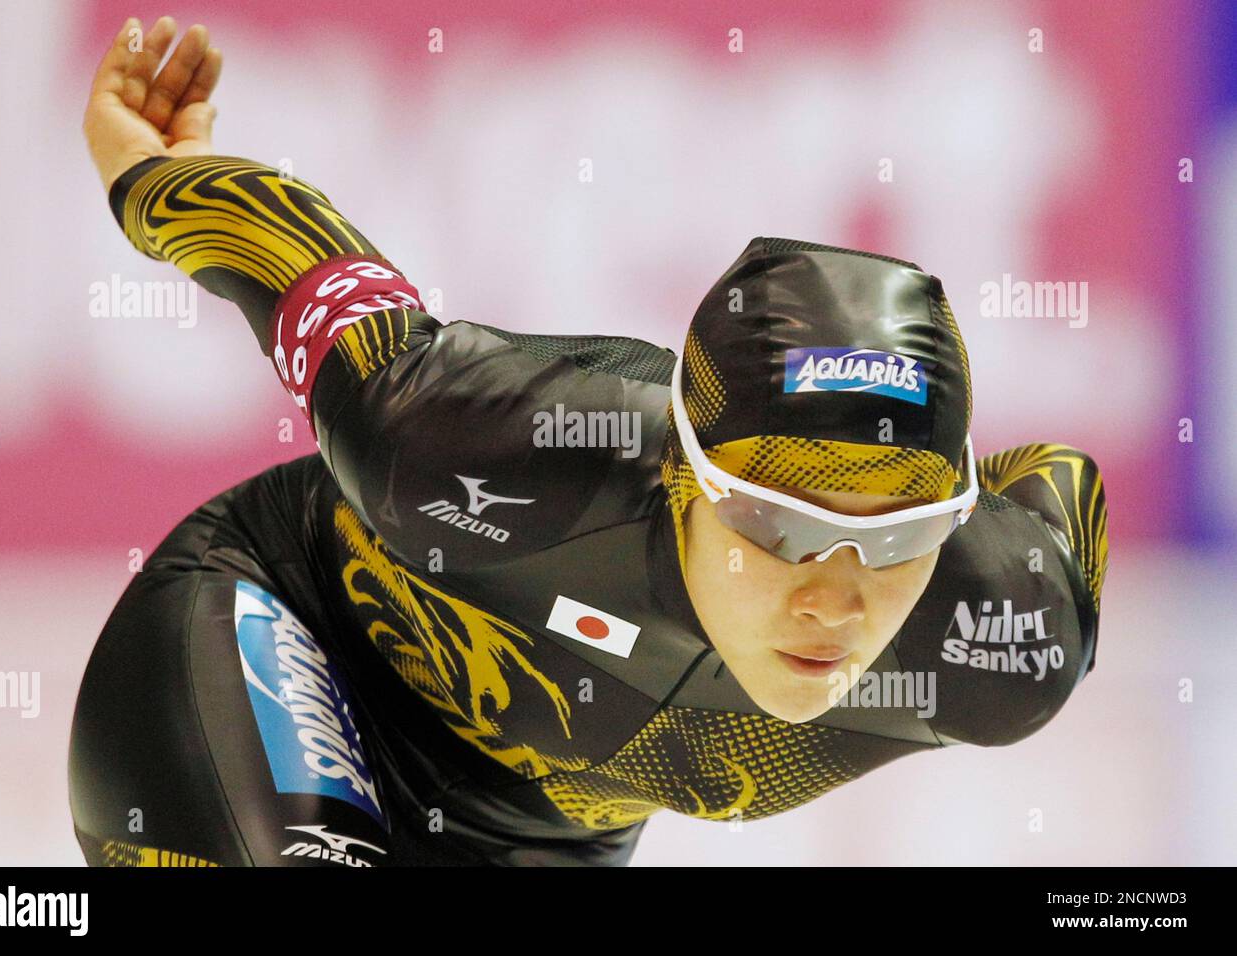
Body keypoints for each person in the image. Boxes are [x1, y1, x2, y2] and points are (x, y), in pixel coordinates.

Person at [68, 16, 1109, 867]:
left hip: (540, 830)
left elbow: (1056, 482)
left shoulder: (1000, 639)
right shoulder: (478, 443)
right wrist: (153, 172)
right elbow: (301, 269)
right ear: (683, 479)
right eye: (782, 528)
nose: (836, 599)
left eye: (896, 537)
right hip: (278, 628)